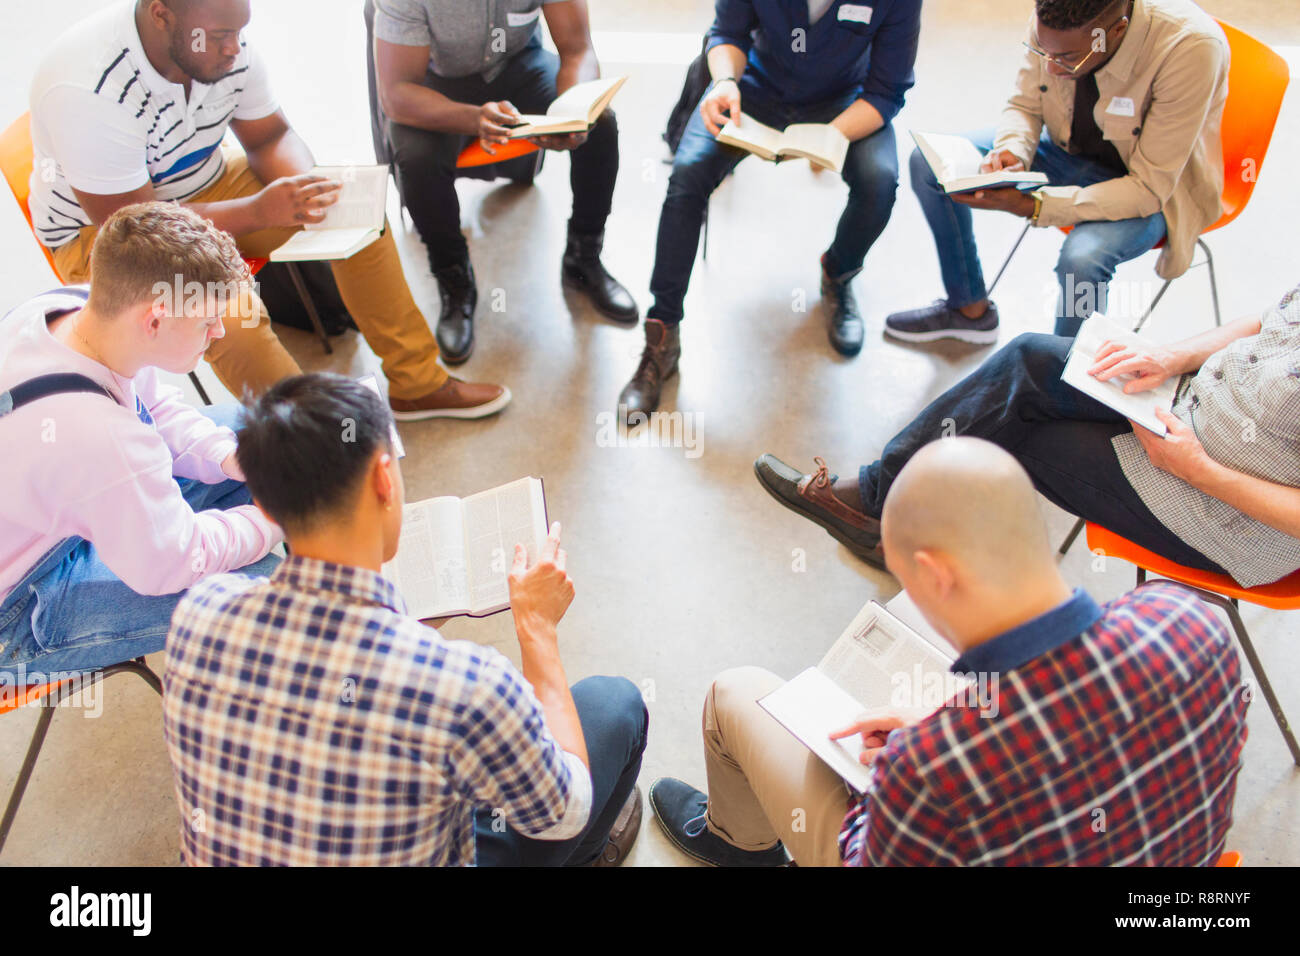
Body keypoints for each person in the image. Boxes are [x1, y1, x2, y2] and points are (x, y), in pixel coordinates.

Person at [652, 438, 1248, 865]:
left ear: (936, 576)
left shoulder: (930, 772)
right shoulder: (1195, 621)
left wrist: (904, 766)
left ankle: (739, 846)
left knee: (738, 691)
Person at [163, 373, 648, 866]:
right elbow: (564, 812)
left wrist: (400, 629)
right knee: (615, 704)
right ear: (382, 479)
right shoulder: (469, 688)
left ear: (263, 503)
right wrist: (538, 630)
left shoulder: (198, 615)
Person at [29, 0, 508, 420]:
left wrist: (303, 191)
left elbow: (270, 136)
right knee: (222, 314)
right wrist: (259, 211)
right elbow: (136, 226)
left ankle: (417, 385)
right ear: (161, 14)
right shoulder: (88, 88)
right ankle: (314, 442)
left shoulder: (224, 47)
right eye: (220, 36)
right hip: (106, 237)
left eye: (240, 32)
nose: (235, 49)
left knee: (353, 213)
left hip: (204, 186)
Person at [755, 281, 1300, 590]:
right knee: (1030, 359)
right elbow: (1266, 323)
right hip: (1186, 404)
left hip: (1217, 506)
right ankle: (882, 504)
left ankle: (890, 525)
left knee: (1019, 431)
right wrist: (1171, 355)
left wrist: (1196, 468)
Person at [0, 202, 281, 685]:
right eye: (206, 321)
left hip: (56, 515)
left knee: (264, 437)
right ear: (154, 320)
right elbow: (173, 563)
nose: (217, 333)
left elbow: (153, 410)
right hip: (21, 603)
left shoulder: (72, 310)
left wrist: (227, 456)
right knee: (273, 588)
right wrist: (275, 516)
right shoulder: (100, 438)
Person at [617, 0, 923, 420]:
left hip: (844, 105)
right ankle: (662, 336)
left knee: (879, 183)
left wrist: (830, 136)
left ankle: (838, 272)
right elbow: (728, 33)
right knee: (687, 177)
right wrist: (724, 79)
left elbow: (887, 90)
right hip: (754, 90)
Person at [885, 0, 1227, 344]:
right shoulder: (1055, 18)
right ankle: (969, 309)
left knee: (1083, 261)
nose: (1050, 68)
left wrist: (1035, 206)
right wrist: (1012, 151)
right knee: (930, 164)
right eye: (1042, 51)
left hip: (1153, 190)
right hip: (1064, 150)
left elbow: (1149, 188)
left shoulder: (1190, 48)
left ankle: (1064, 376)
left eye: (1066, 58)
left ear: (1117, 30)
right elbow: (1025, 104)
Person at [372, 0, 638, 365]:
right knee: (417, 158)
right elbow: (397, 94)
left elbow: (578, 50)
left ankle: (583, 258)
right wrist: (475, 119)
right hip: (436, 86)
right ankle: (455, 280)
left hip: (516, 68)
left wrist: (571, 112)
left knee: (601, 124)